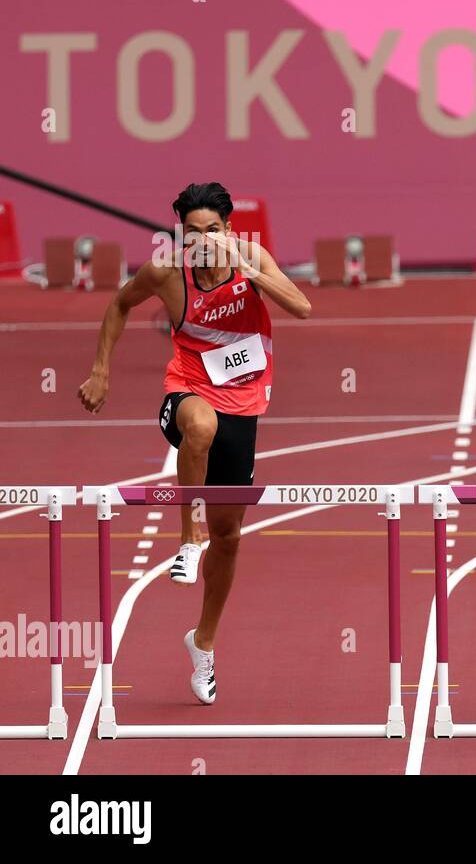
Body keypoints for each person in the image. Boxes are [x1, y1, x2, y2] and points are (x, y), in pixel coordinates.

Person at [76, 182, 311, 704]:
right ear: (181, 235)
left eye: (212, 230)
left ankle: (203, 643)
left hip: (244, 402)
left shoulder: (250, 257)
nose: (202, 241)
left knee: (231, 538)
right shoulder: (166, 271)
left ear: (228, 230)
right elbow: (119, 306)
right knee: (199, 427)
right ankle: (187, 537)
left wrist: (255, 276)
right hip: (185, 391)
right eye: (192, 232)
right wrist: (100, 371)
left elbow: (303, 308)